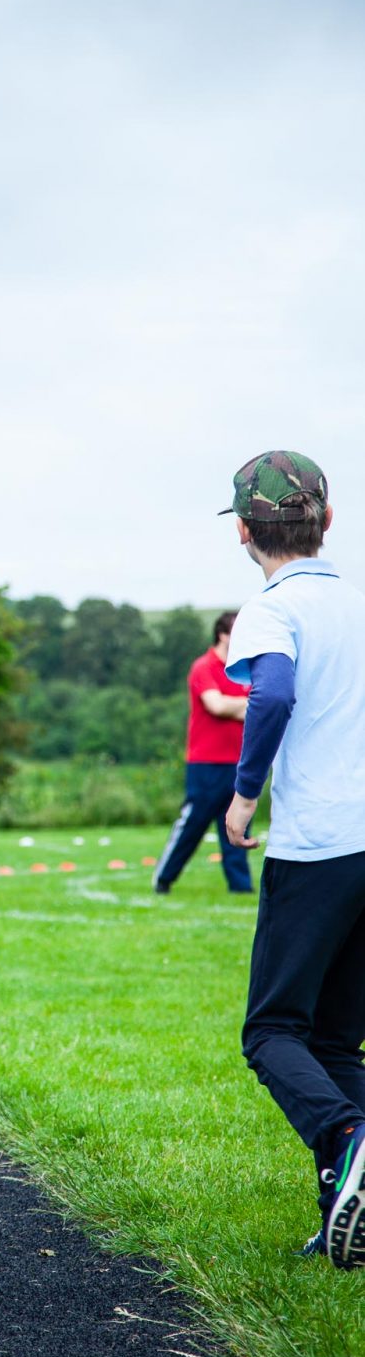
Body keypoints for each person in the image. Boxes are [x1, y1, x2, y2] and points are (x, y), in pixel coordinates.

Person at [222, 451, 365, 1270]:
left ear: (244, 531)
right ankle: (346, 1212)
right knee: (338, 1042)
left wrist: (245, 795)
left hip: (319, 844)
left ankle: (347, 1135)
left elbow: (271, 694)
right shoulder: (356, 600)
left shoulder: (271, 609)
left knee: (274, 1031)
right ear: (328, 520)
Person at [152, 612, 253, 895]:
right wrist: (247, 704)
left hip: (239, 761)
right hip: (207, 762)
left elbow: (260, 707)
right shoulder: (204, 666)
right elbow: (216, 705)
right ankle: (164, 879)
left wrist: (242, 705)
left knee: (237, 824)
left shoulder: (246, 668)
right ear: (223, 635)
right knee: (193, 824)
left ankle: (241, 887)